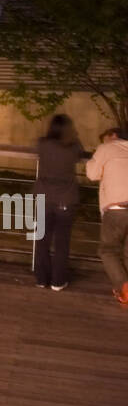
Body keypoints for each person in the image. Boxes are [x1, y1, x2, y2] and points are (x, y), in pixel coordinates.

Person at [33, 114, 84, 291]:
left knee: (42, 240)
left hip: (43, 197)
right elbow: (79, 155)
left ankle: (41, 278)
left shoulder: (42, 144)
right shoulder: (73, 147)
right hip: (66, 199)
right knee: (62, 242)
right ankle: (58, 281)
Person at [86, 128, 128, 305]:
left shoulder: (107, 148)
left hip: (117, 209)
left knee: (108, 250)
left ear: (113, 136)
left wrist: (95, 159)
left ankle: (124, 288)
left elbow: (92, 174)